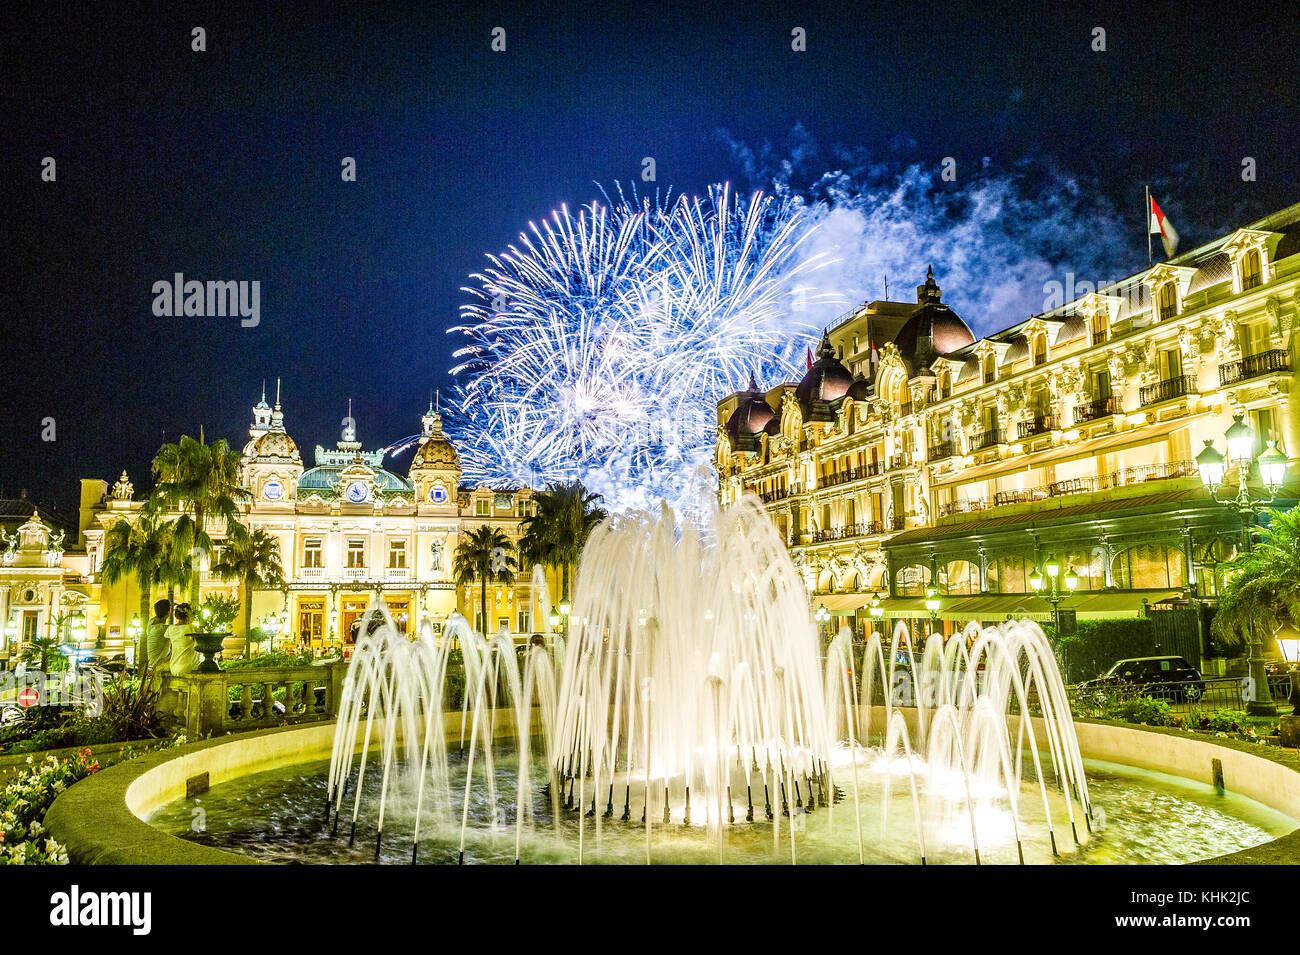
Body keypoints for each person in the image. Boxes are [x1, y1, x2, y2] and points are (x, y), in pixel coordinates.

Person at [164, 603, 200, 676]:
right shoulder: (190, 628)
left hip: (174, 667)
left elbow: (166, 636)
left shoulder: (170, 628)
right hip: (188, 668)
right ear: (189, 615)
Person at [145, 599, 172, 672]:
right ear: (168, 612)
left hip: (154, 662)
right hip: (160, 664)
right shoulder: (163, 629)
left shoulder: (151, 623)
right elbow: (179, 628)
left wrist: (167, 607)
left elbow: (157, 616)